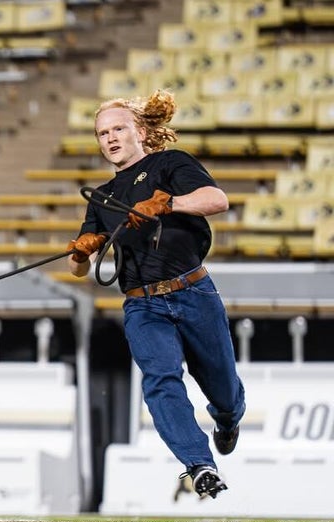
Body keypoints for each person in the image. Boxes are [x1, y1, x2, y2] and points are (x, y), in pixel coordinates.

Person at [67, 89, 245, 499]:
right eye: (102, 133)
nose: (110, 139)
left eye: (118, 129)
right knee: (160, 380)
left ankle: (227, 417)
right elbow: (78, 270)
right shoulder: (102, 197)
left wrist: (168, 204)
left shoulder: (171, 163)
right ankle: (198, 464)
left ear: (141, 132)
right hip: (142, 304)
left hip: (192, 290)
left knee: (223, 388)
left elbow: (216, 200)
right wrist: (80, 251)